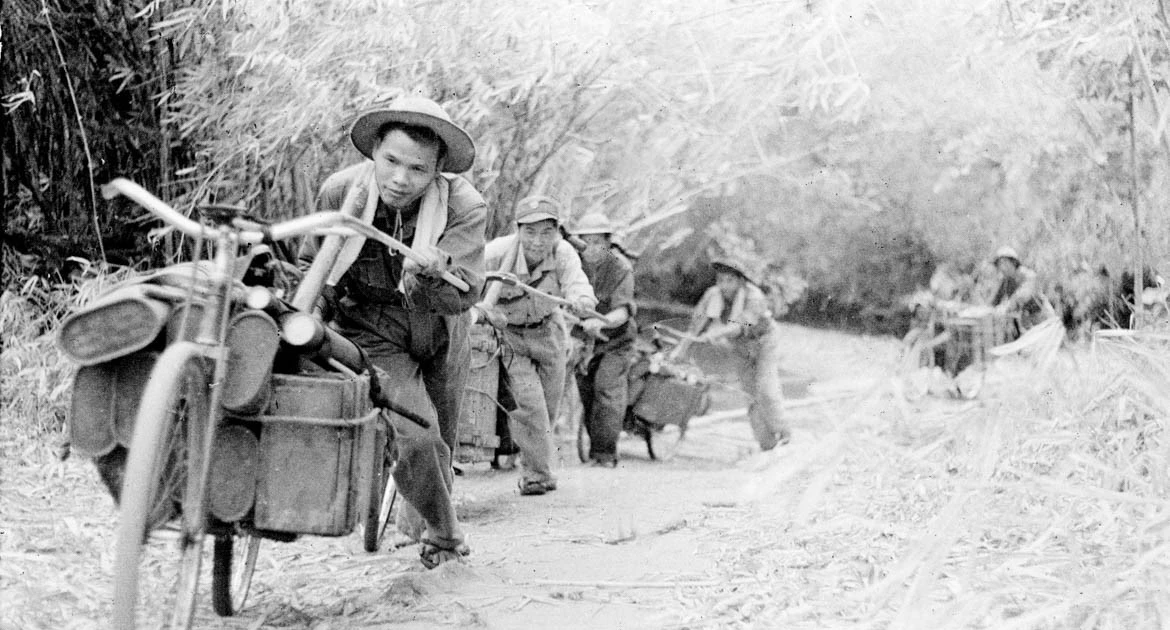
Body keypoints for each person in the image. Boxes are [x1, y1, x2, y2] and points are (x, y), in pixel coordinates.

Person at [298, 96, 485, 568]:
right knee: (418, 437)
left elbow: (466, 292)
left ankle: (420, 521)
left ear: (438, 170)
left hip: (442, 326)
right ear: (374, 153)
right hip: (374, 329)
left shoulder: (464, 205)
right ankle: (445, 533)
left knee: (443, 431)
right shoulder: (340, 193)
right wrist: (311, 313)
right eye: (391, 161)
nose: (401, 179)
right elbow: (311, 265)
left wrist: (431, 273)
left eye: (419, 169)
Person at [477, 197, 597, 495]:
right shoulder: (495, 254)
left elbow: (577, 282)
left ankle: (534, 460)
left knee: (549, 406)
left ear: (557, 232)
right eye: (530, 232)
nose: (537, 241)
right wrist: (482, 309)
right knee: (529, 405)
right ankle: (536, 475)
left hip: (550, 334)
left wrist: (583, 300)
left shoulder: (563, 252)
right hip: (512, 338)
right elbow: (467, 285)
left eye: (546, 232)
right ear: (517, 230)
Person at [679, 257, 789, 451]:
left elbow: (740, 326)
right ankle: (767, 443)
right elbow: (695, 326)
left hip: (764, 341)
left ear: (740, 281)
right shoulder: (712, 295)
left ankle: (784, 431)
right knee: (750, 393)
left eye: (729, 281)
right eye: (720, 280)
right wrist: (681, 350)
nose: (724, 286)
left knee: (766, 387)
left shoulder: (754, 297)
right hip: (740, 347)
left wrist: (715, 334)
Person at [568, 213, 637, 468]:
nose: (592, 248)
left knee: (606, 389)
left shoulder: (621, 267)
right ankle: (596, 445)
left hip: (616, 341)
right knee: (587, 392)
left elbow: (624, 310)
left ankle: (605, 453)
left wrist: (603, 322)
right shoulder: (572, 263)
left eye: (598, 241)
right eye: (586, 241)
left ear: (608, 243)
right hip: (584, 340)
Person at [990, 246, 1044, 336]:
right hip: (1026, 324)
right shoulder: (1006, 281)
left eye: (1004, 263)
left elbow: (1023, 295)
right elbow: (994, 301)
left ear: (1014, 263)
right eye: (999, 264)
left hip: (1042, 321)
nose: (1002, 267)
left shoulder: (1029, 276)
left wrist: (1006, 307)